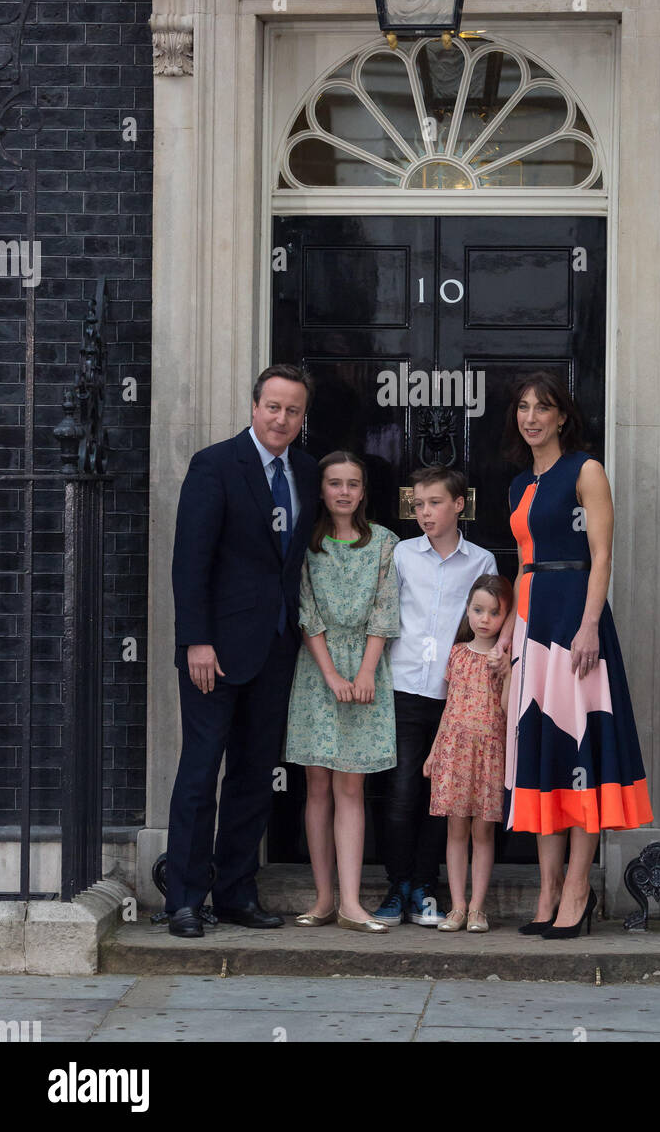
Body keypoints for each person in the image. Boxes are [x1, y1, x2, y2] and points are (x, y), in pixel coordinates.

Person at [165, 364, 320, 938]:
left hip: (276, 649)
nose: (281, 418)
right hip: (216, 651)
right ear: (254, 407)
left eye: (293, 410)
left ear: (303, 418)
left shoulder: (306, 470)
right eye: (273, 407)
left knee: (255, 776)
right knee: (201, 771)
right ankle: (183, 897)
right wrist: (196, 641)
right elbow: (190, 561)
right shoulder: (215, 465)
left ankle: (234, 893)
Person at [497, 371, 653, 939]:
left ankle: (577, 889)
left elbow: (603, 555)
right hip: (532, 628)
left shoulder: (586, 470)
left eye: (543, 408)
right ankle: (546, 890)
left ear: (563, 416)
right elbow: (521, 562)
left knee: (579, 744)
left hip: (576, 625)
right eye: (523, 407)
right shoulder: (517, 486)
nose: (531, 417)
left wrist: (589, 626)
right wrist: (513, 628)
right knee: (543, 751)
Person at [374, 466, 497, 927]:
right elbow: (385, 615)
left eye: (435, 503)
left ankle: (426, 886)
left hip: (457, 698)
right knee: (402, 792)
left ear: (459, 504)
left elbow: (491, 624)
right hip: (404, 687)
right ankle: (397, 885)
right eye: (418, 504)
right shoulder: (402, 554)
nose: (425, 513)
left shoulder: (481, 561)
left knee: (441, 800)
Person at [284, 451, 399, 934]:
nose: (344, 492)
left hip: (368, 668)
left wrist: (367, 670)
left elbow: (384, 609)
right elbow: (305, 611)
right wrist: (330, 674)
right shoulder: (306, 545)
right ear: (322, 489)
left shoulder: (385, 544)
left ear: (364, 491)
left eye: (353, 484)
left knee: (351, 784)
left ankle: (352, 902)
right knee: (317, 784)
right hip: (317, 670)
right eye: (335, 483)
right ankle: (324, 897)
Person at [423, 574, 513, 933]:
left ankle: (478, 908)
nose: (484, 619)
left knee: (483, 833)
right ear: (468, 610)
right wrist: (433, 753)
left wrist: (507, 671)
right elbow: (450, 707)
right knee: (455, 831)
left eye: (494, 612)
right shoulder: (457, 654)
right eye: (478, 610)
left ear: (505, 617)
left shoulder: (503, 660)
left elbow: (507, 708)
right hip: (454, 752)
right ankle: (457, 906)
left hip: (489, 753)